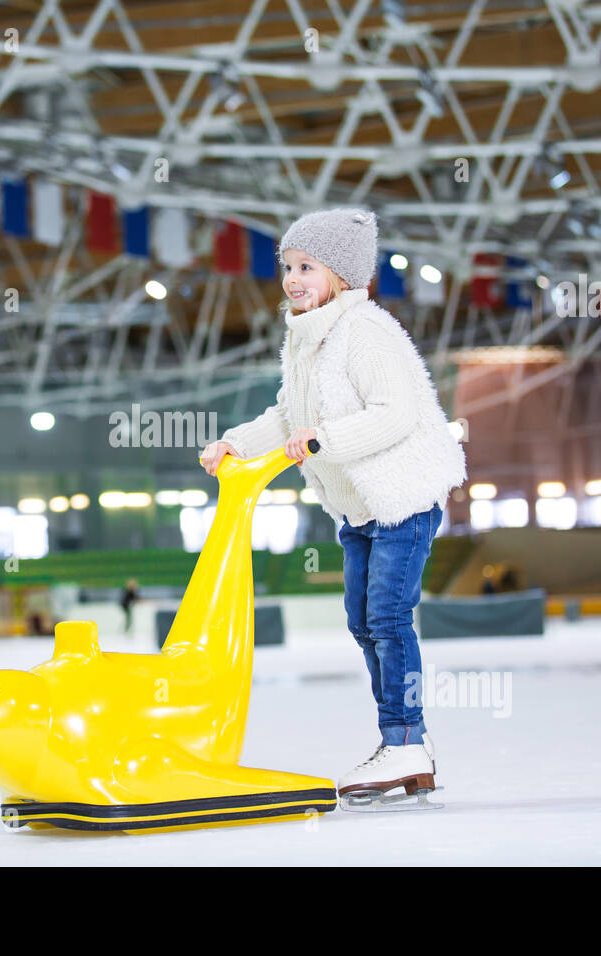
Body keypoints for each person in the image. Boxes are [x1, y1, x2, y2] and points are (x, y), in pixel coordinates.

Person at [199, 207, 467, 803]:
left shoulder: (366, 330)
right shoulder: (303, 336)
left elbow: (394, 413)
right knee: (360, 621)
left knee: (388, 619)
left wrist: (324, 441)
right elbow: (286, 416)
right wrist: (233, 445)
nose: (293, 278)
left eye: (307, 267)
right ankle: (401, 743)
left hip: (403, 496)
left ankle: (405, 741)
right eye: (287, 266)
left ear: (342, 275)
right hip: (358, 508)